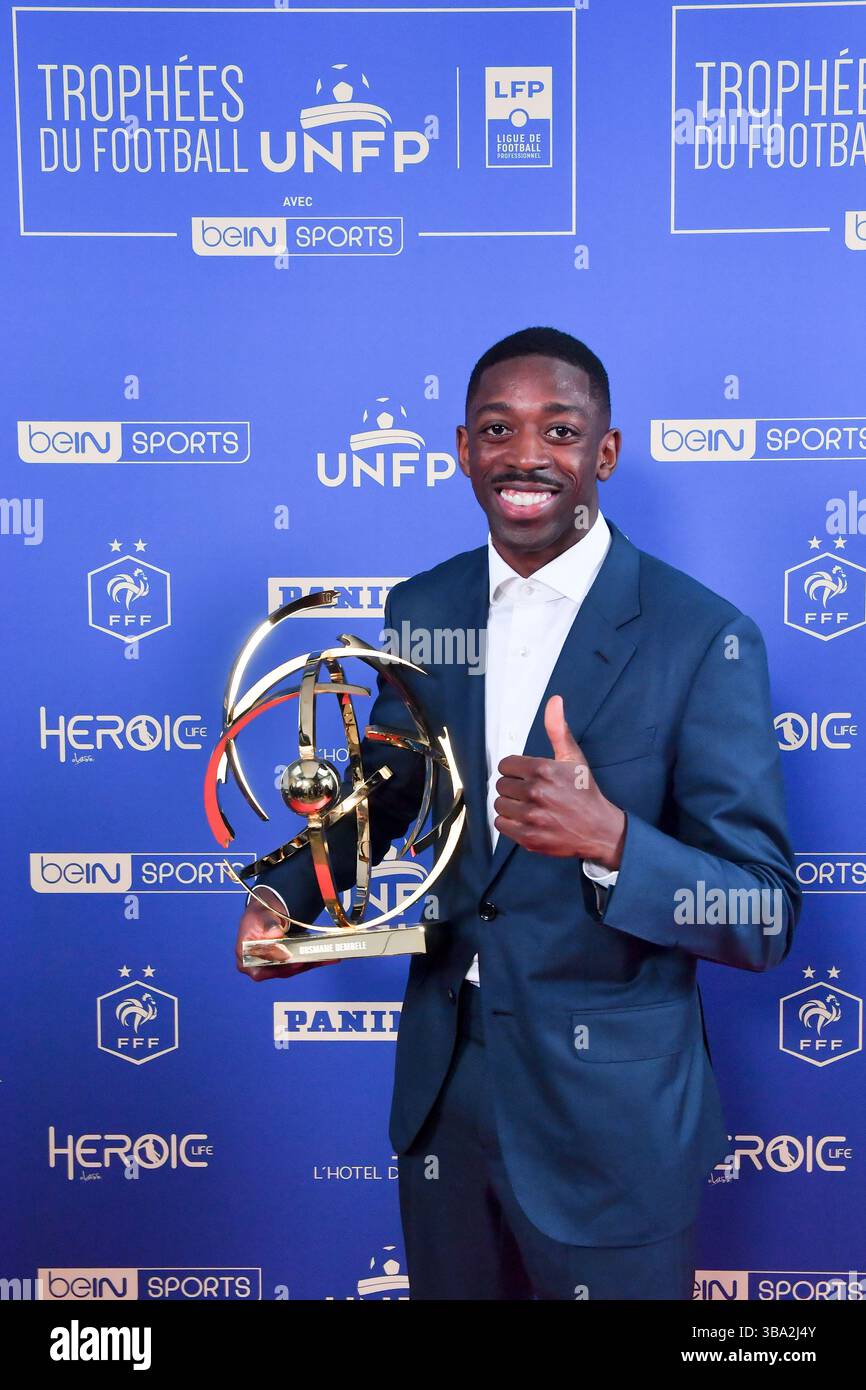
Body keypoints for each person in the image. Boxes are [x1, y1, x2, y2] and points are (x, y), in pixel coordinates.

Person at [236, 326, 801, 1300]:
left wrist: (611, 842)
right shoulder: (424, 606)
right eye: (497, 429)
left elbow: (760, 914)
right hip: (444, 1096)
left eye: (559, 428)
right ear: (462, 450)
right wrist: (294, 891)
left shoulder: (700, 635)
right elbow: (395, 780)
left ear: (604, 453)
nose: (525, 455)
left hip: (609, 1121)